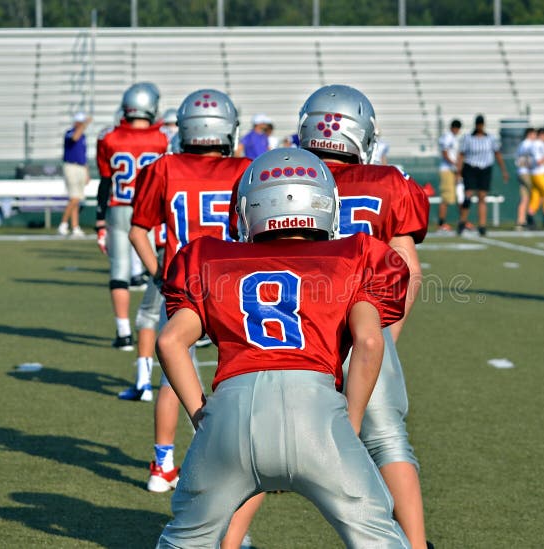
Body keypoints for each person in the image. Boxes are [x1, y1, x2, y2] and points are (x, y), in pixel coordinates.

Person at [156, 147, 412, 548]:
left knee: (185, 540)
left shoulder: (208, 258)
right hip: (318, 413)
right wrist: (353, 420)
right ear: (326, 204)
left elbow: (170, 341)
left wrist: (201, 418)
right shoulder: (356, 255)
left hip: (230, 414)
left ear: (249, 208)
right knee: (377, 536)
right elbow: (368, 339)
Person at [228, 84, 432, 549]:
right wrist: (380, 337)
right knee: (387, 441)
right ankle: (417, 544)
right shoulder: (389, 183)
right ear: (362, 134)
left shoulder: (275, 174)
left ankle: (228, 540)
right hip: (363, 324)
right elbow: (408, 272)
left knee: (259, 447)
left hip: (290, 327)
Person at [126, 90, 252, 500]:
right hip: (236, 285)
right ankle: (240, 457)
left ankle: (162, 465)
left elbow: (137, 231)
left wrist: (159, 274)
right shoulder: (247, 168)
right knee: (243, 371)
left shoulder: (164, 168)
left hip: (184, 285)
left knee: (172, 376)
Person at [95, 82, 169, 351]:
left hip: (119, 207)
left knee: (119, 270)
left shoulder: (109, 137)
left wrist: (99, 219)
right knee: (159, 268)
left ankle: (124, 332)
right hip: (151, 209)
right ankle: (155, 322)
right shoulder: (163, 138)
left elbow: (105, 181)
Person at [456, 114, 509, 236]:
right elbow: (461, 155)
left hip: (485, 169)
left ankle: (482, 225)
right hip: (470, 168)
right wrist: (458, 172)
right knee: (468, 196)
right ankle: (462, 222)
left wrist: (504, 170)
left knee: (482, 197)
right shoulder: (468, 138)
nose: (480, 127)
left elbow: (497, 154)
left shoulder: (490, 138)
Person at [58, 111, 93, 237]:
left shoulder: (83, 136)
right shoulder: (70, 133)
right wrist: (83, 125)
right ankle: (63, 224)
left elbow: (84, 156)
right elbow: (74, 137)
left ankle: (75, 226)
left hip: (81, 168)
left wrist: (87, 173)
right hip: (71, 166)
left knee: (77, 199)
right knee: (74, 197)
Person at [437, 119, 462, 231]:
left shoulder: (454, 138)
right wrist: (454, 164)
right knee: (446, 197)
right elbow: (445, 153)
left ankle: (463, 221)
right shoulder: (448, 137)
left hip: (453, 170)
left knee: (459, 196)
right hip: (447, 170)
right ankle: (441, 223)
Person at [515, 127, 535, 230]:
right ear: (529, 134)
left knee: (524, 197)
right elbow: (525, 158)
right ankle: (530, 218)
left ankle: (521, 221)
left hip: (521, 172)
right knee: (536, 194)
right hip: (525, 172)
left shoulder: (523, 144)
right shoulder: (527, 144)